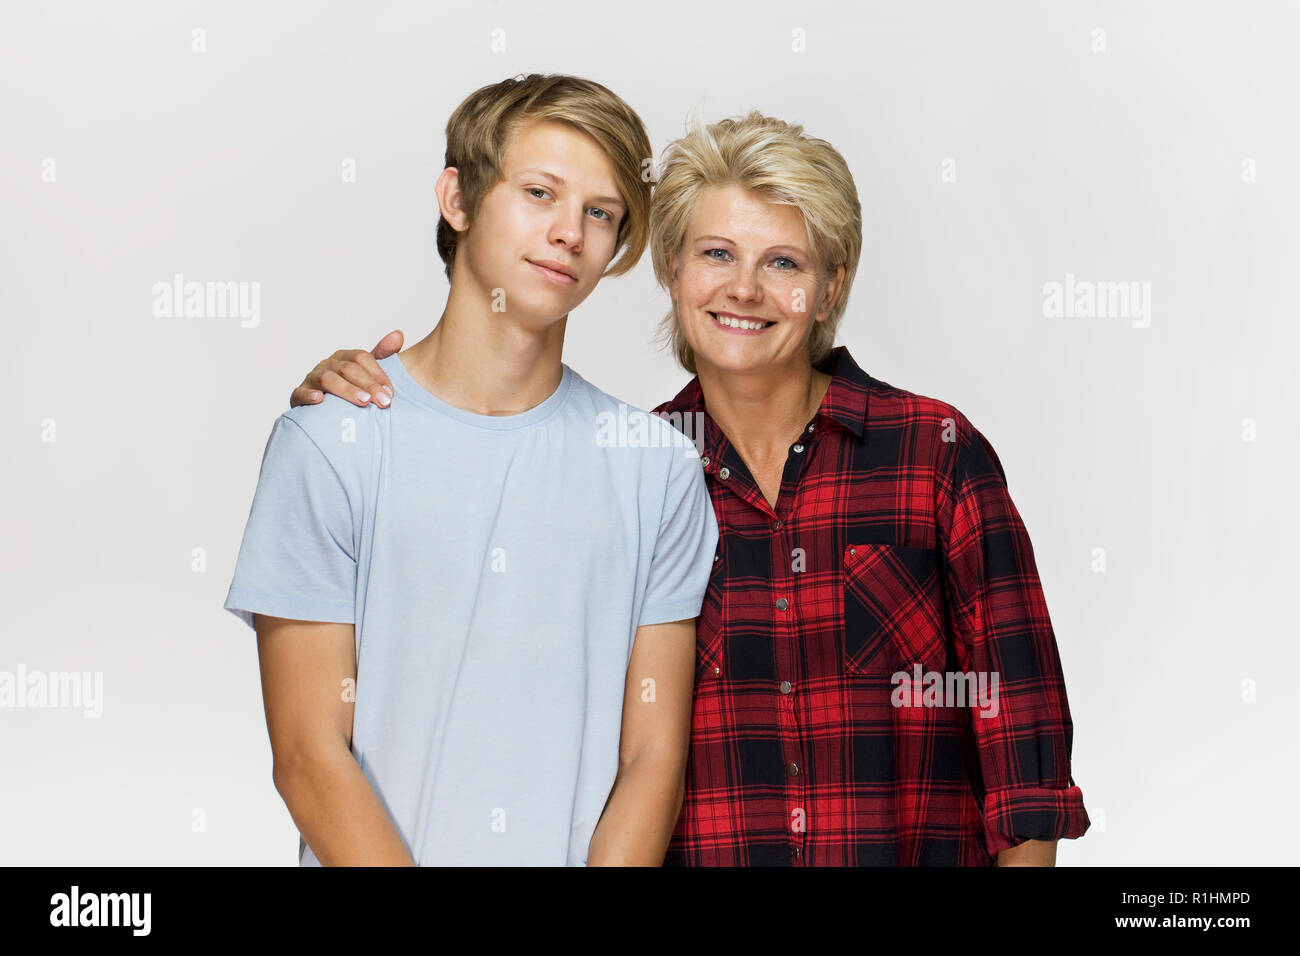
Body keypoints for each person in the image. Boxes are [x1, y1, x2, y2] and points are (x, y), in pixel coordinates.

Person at [291, 110, 1090, 866]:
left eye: (784, 262)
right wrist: (367, 405)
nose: (744, 289)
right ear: (672, 271)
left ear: (832, 286)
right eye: (716, 254)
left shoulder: (934, 455)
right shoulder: (625, 470)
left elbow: (1025, 751)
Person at [223, 74, 718, 867]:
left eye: (601, 213)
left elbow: (650, 759)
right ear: (457, 199)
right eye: (539, 193)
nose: (569, 232)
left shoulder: (655, 468)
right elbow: (310, 757)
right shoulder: (329, 443)